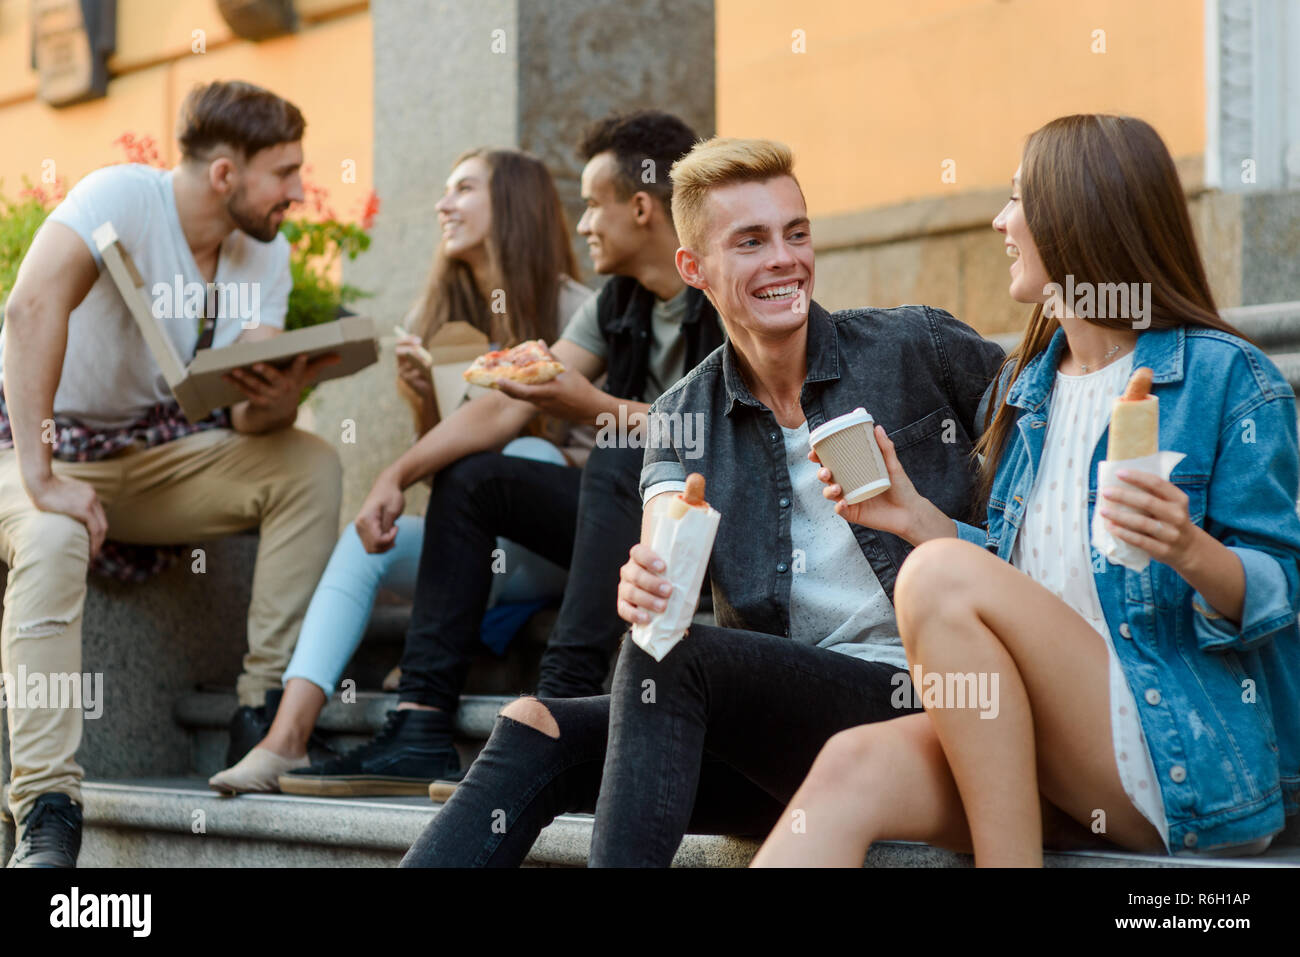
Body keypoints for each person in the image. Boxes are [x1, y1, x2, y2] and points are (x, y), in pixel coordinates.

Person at [399, 136, 1006, 867]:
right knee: (535, 722)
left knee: (677, 657)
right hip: (787, 743)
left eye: (797, 233)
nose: (785, 259)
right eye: (751, 241)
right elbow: (663, 563)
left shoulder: (919, 346)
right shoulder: (684, 415)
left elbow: (1047, 465)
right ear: (694, 268)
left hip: (931, 699)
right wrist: (647, 584)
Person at [751, 114, 1300, 868]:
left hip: (1181, 759)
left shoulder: (1225, 379)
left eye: (1019, 200)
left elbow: (1282, 590)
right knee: (851, 767)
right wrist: (916, 518)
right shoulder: (1026, 389)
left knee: (935, 575)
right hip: (1047, 741)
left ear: (1079, 217)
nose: (999, 221)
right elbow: (1027, 587)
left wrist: (1191, 549)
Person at [262, 110, 727, 799]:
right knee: (478, 477)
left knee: (617, 451)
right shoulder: (613, 304)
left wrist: (592, 408)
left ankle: (560, 711)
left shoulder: (725, 291)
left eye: (594, 205)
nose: (583, 225)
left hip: (716, 530)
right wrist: (397, 472)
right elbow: (516, 401)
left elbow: (720, 440)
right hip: (627, 530)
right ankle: (421, 723)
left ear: (640, 207)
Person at [1, 80, 343, 867]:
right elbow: (28, 310)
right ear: (225, 174)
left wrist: (279, 399)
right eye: (284, 172)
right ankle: (47, 811)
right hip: (24, 447)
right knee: (51, 538)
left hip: (149, 455)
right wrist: (40, 473)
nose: (297, 190)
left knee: (310, 465)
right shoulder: (123, 194)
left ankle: (259, 710)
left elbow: (245, 413)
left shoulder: (265, 251)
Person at [208, 148, 592, 794]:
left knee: (525, 456)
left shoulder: (579, 307)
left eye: (464, 188)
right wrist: (427, 398)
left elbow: (557, 447)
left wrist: (402, 467)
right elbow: (457, 479)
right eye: (445, 190)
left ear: (515, 204)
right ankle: (284, 738)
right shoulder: (435, 315)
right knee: (361, 546)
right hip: (480, 546)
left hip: (561, 538)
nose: (443, 204)